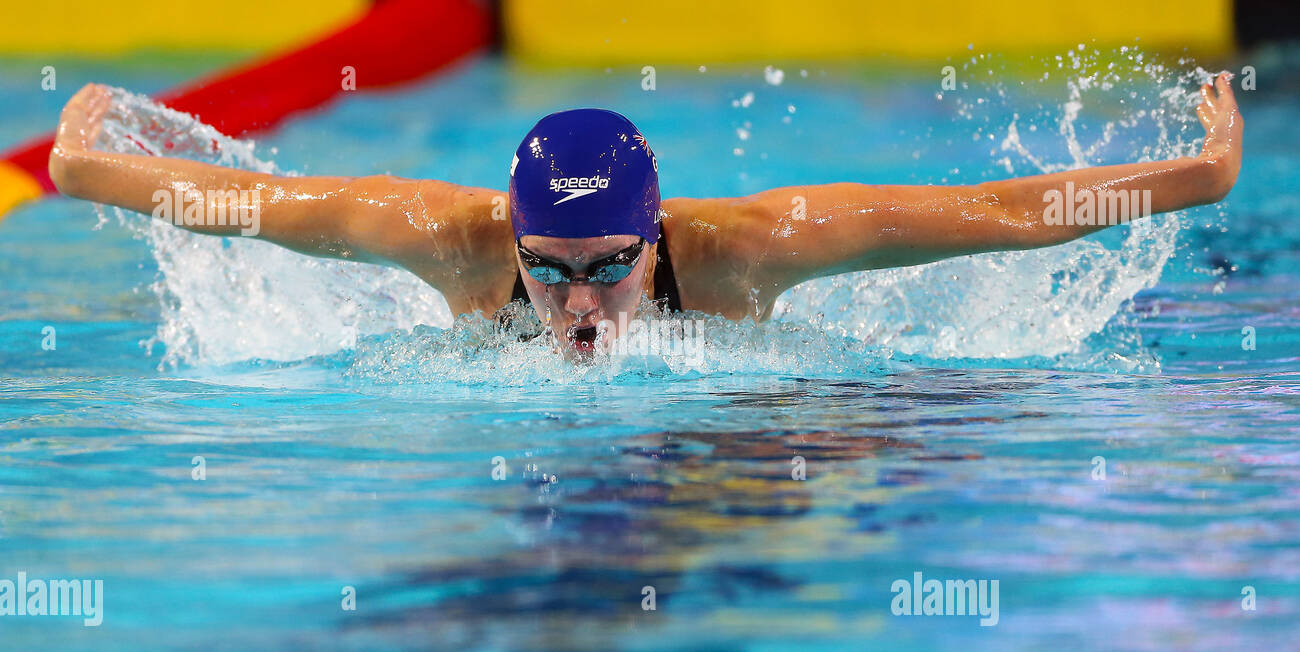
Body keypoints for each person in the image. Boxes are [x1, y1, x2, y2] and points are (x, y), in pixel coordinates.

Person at [48, 76, 1242, 358]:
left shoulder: (754, 251)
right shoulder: (438, 237)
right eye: (551, 268)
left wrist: (1201, 175)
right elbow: (246, 204)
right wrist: (84, 167)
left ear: (660, 234)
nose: (577, 304)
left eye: (613, 265)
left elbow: (991, 211)